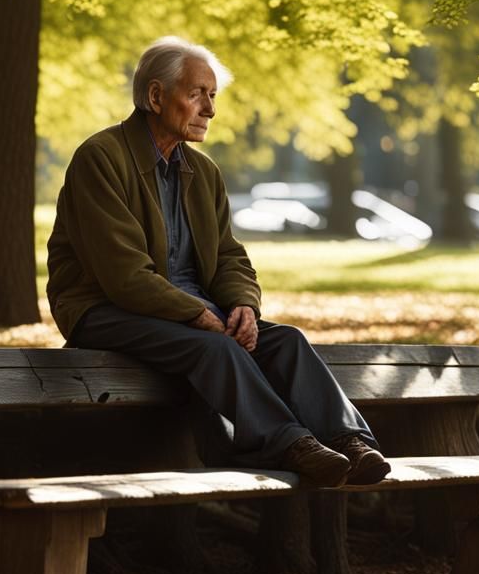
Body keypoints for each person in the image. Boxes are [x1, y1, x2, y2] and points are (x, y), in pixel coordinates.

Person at [46, 36, 391, 487]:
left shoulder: (203, 172)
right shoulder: (101, 158)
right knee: (215, 346)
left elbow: (229, 255)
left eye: (213, 96)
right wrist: (197, 312)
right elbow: (123, 276)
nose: (210, 108)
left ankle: (349, 442)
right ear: (155, 97)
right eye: (197, 94)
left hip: (191, 312)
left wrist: (243, 306)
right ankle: (290, 444)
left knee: (285, 340)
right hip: (102, 309)